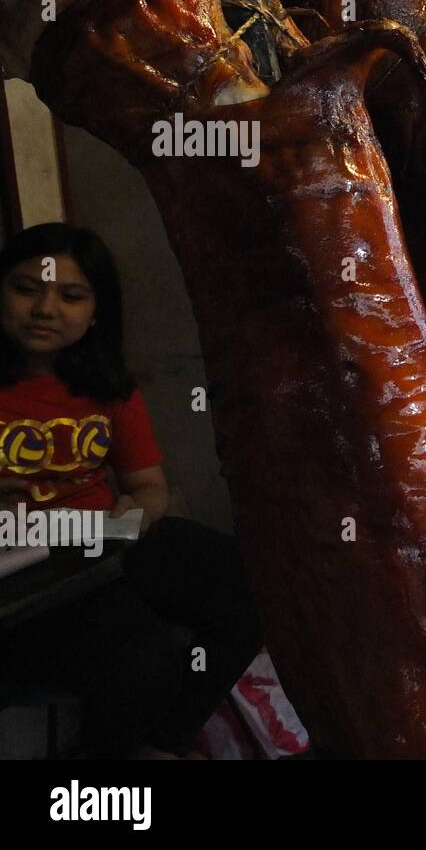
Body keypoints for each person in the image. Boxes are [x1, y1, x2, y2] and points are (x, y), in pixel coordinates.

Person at [0, 222, 261, 758]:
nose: (45, 309)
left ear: (96, 311)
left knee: (255, 587)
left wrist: (130, 522)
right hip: (22, 574)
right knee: (145, 656)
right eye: (26, 289)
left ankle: (164, 746)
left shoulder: (107, 386)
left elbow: (148, 489)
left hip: (99, 544)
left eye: (71, 295)